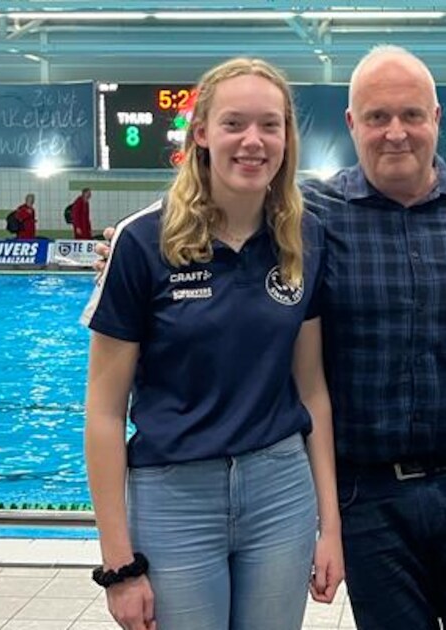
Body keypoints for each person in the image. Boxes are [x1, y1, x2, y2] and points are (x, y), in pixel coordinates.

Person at [95, 45, 446, 629]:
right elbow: (106, 406)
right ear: (353, 124)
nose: (395, 132)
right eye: (377, 117)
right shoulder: (313, 217)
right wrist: (118, 565)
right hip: (361, 494)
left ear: (437, 117)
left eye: (411, 115)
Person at [81, 57, 343, 630]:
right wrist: (118, 565)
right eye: (234, 124)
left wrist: (331, 527)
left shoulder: (305, 237)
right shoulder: (142, 242)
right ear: (201, 133)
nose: (253, 141)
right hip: (174, 495)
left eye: (269, 125)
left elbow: (312, 391)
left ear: (286, 137)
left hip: (280, 491)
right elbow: (103, 414)